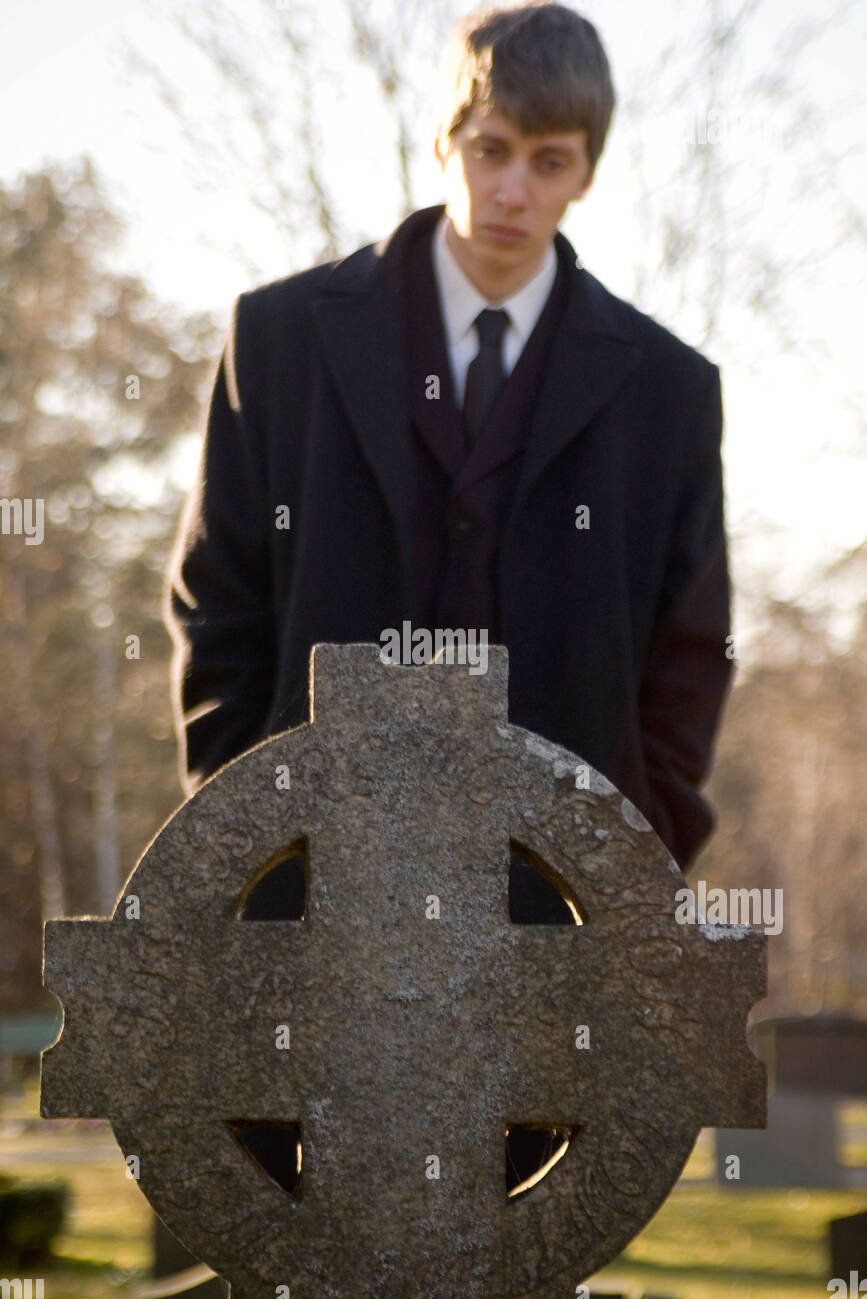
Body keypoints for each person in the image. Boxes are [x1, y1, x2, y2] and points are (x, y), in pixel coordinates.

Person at [165, 2, 733, 1195]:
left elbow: (691, 650)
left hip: (552, 919)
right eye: (490, 147)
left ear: (586, 173)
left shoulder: (671, 393)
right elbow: (217, 597)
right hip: (301, 892)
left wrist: (631, 852)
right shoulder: (277, 340)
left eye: (548, 160)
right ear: (444, 141)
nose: (511, 189)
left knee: (504, 1252)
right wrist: (240, 832)